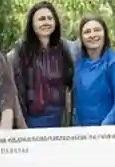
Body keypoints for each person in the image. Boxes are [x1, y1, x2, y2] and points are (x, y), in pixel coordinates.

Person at [8, 1, 78, 129]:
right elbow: (13, 90)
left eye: (49, 18)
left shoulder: (64, 48)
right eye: (41, 19)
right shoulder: (20, 51)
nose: (46, 22)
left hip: (59, 117)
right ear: (32, 24)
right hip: (30, 119)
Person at [72, 14, 115, 126]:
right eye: (87, 32)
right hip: (82, 132)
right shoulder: (79, 65)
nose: (92, 35)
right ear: (81, 37)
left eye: (97, 30)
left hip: (107, 132)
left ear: (105, 33)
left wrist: (103, 129)